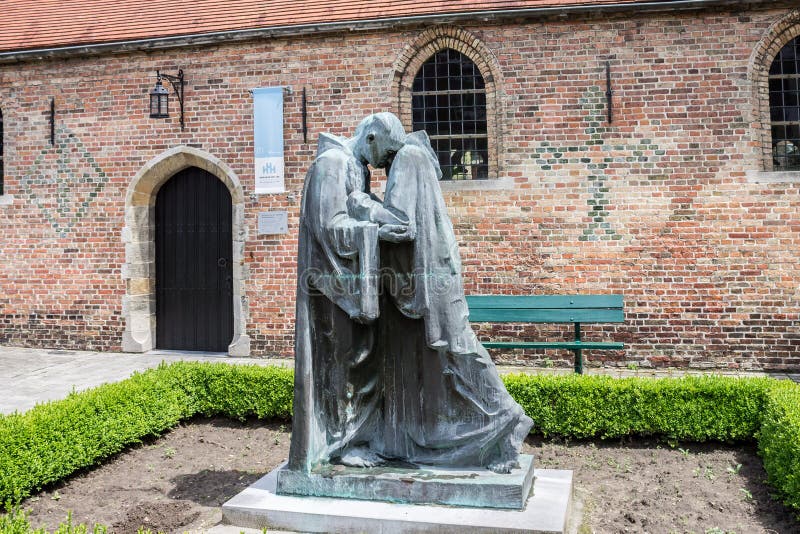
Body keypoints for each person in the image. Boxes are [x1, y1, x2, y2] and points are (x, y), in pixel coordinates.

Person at [348, 128, 533, 473]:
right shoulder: (409, 158)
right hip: (432, 271)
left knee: (458, 347)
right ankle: (422, 438)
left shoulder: (406, 158)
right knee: (443, 352)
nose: (366, 164)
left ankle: (507, 420)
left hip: (432, 275)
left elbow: (403, 225)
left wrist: (365, 206)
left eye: (366, 149)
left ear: (375, 138)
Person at [287, 113, 405, 474]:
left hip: (353, 283)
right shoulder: (332, 164)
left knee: (364, 360)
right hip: (333, 288)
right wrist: (376, 233)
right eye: (386, 155)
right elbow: (329, 226)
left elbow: (358, 209)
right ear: (371, 137)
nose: (386, 165)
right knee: (344, 364)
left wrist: (379, 220)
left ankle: (360, 437)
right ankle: (341, 446)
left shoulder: (356, 166)